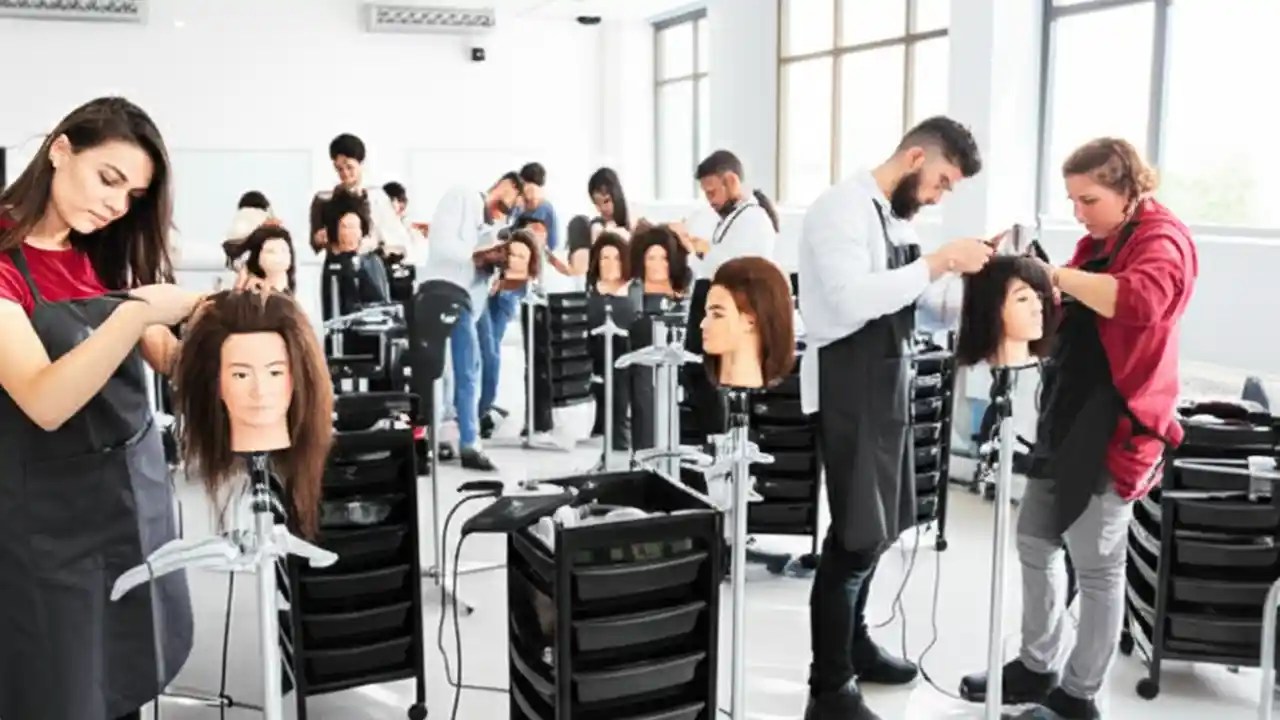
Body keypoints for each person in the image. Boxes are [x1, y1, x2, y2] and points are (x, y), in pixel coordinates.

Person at [959, 137, 1198, 720]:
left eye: (1088, 199)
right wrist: (1017, 271)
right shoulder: (1101, 238)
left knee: (1097, 567)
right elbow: (1069, 303)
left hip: (1118, 426)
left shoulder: (1163, 242)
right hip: (1067, 414)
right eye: (1071, 200)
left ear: (1129, 191)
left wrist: (1053, 274)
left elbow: (1137, 301)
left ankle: (1079, 694)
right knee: (1035, 541)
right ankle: (1037, 667)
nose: (1078, 212)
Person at [0, 96, 203, 720]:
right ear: (60, 149)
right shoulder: (5, 258)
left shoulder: (101, 249)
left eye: (132, 196)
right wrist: (137, 309)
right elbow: (44, 398)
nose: (116, 205)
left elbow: (163, 354)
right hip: (46, 529)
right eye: (109, 179)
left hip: (129, 506)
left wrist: (230, 327)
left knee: (124, 678)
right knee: (60, 689)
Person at [798, 116, 992, 720]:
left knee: (880, 529)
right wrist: (935, 263)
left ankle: (854, 647)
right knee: (854, 540)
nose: (939, 195)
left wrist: (971, 281)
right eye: (942, 181)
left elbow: (914, 304)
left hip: (888, 386)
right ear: (915, 158)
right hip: (850, 387)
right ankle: (829, 689)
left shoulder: (891, 217)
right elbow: (852, 300)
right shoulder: (840, 210)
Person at [422, 171, 523, 471]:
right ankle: (434, 440)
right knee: (437, 371)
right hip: (438, 292)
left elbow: (477, 295)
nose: (505, 212)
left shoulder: (491, 230)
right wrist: (478, 256)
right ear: (506, 186)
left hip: (464, 302)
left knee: (469, 370)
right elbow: (442, 246)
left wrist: (492, 269)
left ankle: (467, 441)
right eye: (509, 203)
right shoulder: (461, 196)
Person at [673, 149, 780, 278]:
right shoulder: (733, 217)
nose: (709, 200)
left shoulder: (752, 219)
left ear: (732, 182)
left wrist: (703, 249)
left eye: (712, 192)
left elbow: (734, 268)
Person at [308, 133, 415, 260]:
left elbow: (396, 239)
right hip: (337, 265)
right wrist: (321, 239)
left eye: (349, 167)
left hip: (371, 265)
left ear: (361, 164)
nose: (345, 173)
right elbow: (315, 240)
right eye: (339, 169)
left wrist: (372, 244)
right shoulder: (324, 199)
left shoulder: (376, 199)